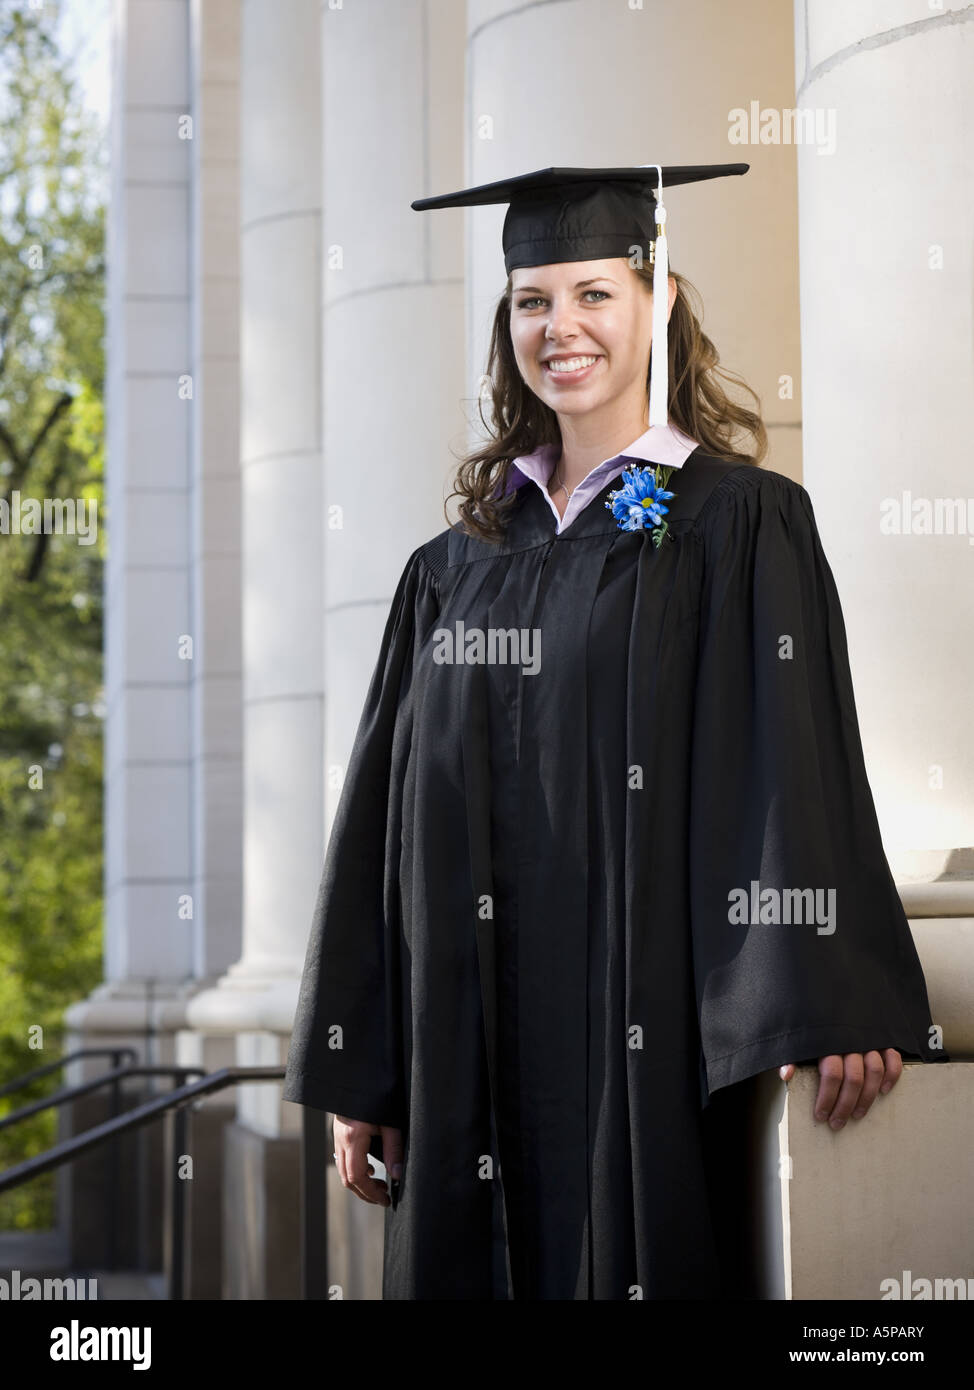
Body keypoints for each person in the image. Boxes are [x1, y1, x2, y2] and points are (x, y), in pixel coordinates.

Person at [282, 163, 947, 1300]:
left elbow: (792, 763)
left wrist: (833, 993)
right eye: (532, 301)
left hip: (640, 1053)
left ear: (660, 299)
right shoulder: (456, 567)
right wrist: (367, 1063)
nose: (561, 328)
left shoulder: (733, 522)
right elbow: (385, 820)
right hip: (463, 1064)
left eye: (593, 293)